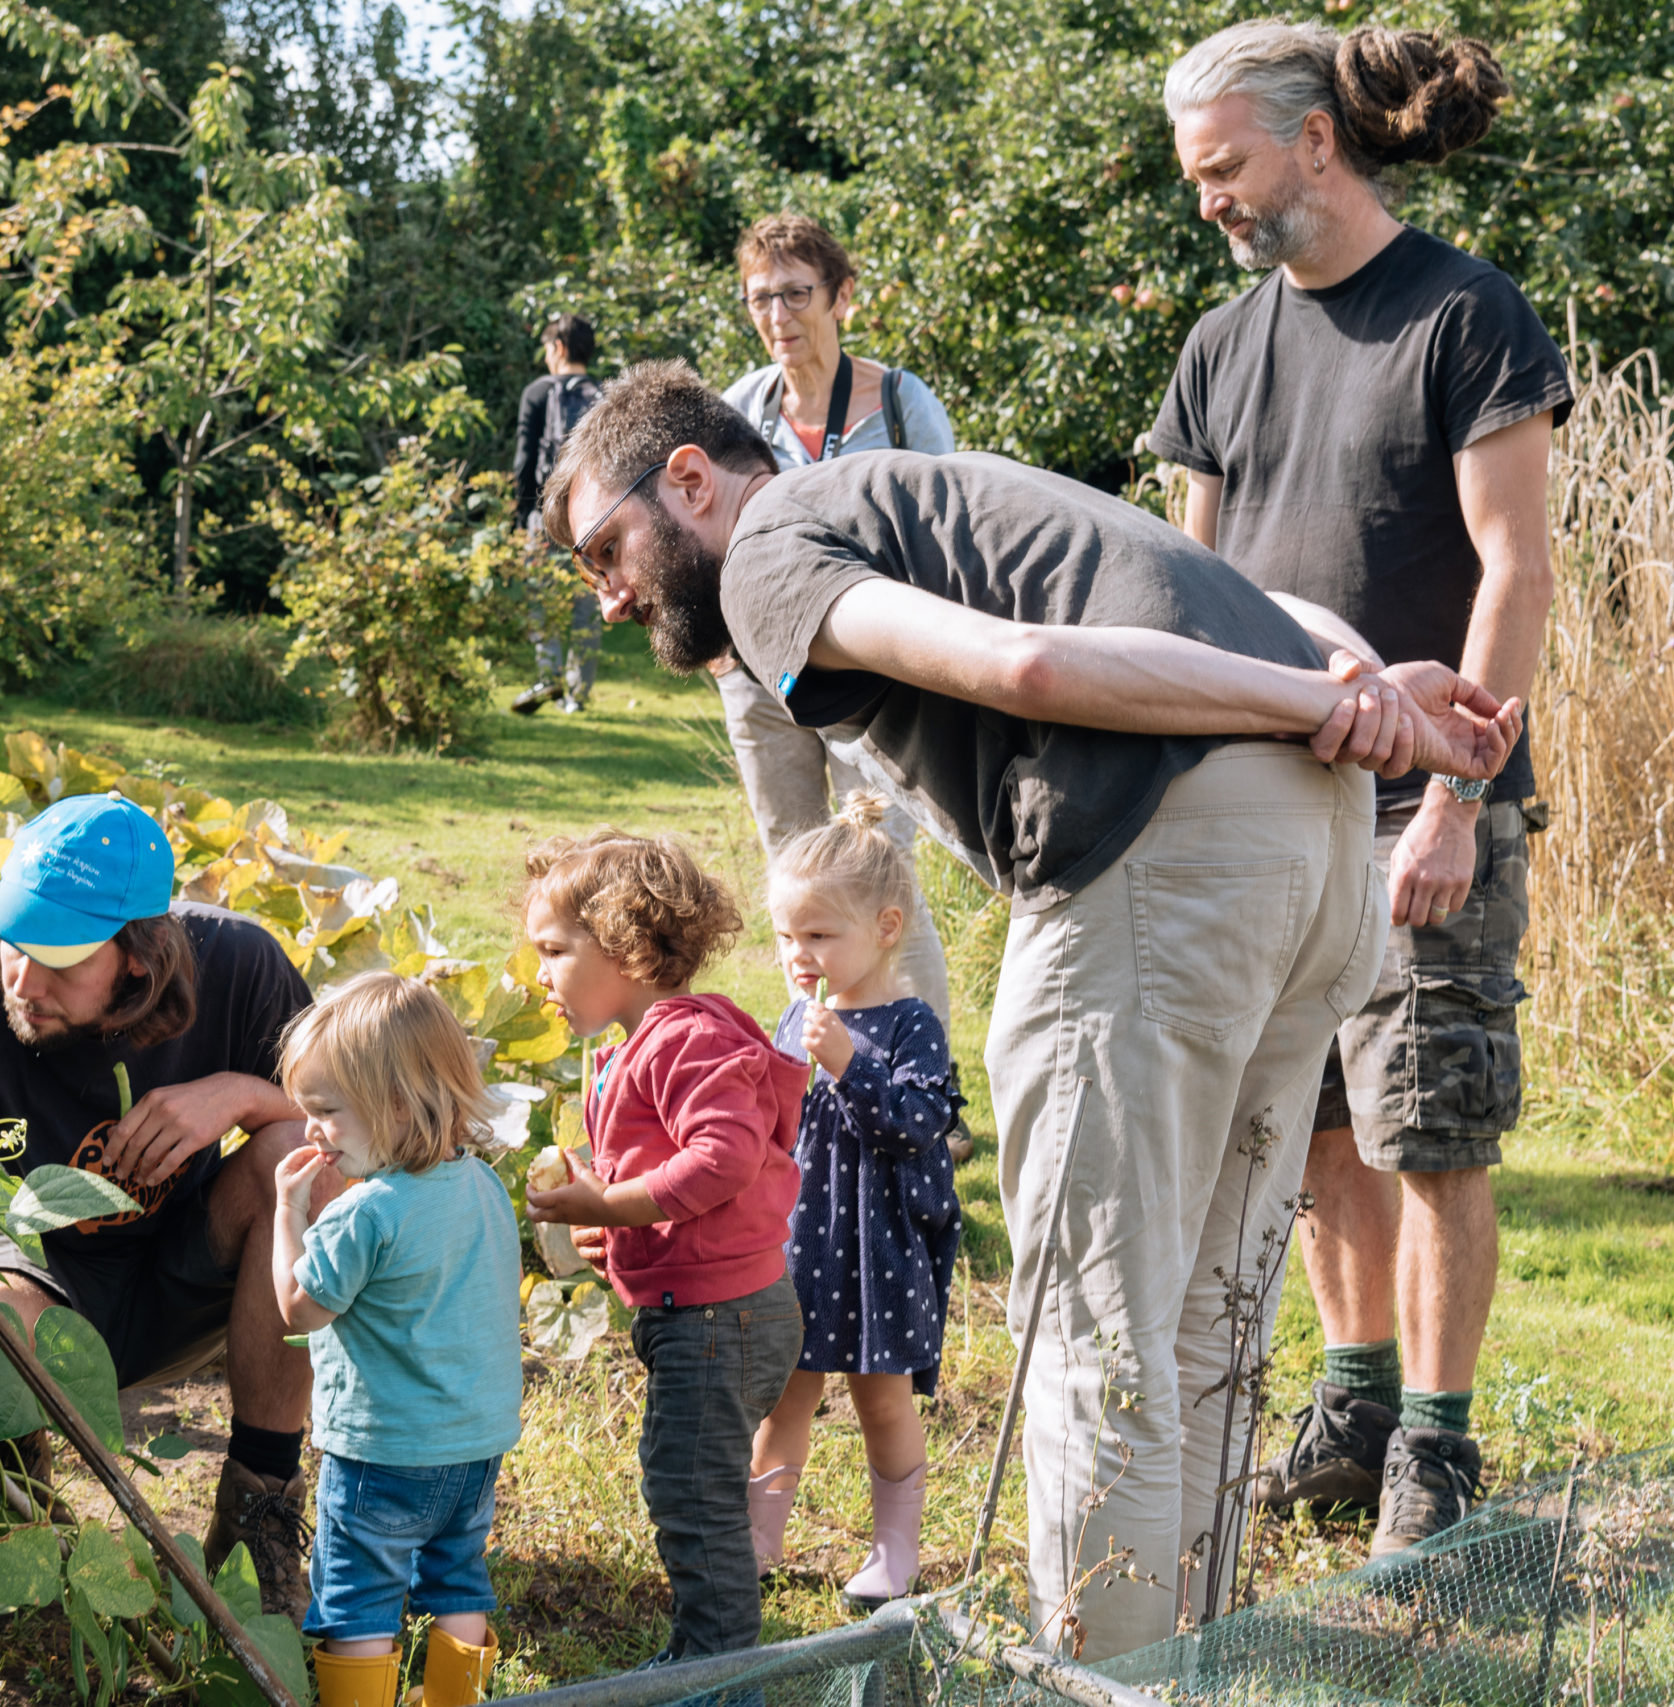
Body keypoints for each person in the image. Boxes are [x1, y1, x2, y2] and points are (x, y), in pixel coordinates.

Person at [540, 360, 1522, 1659]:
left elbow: (1031, 664)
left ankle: (1100, 1679)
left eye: (605, 550)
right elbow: (1248, 597)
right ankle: (1187, 1664)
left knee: (1093, 1331)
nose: (609, 595)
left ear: (689, 479)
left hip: (1167, 851)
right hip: (1316, 850)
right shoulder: (936, 489)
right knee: (1208, 1318)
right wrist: (1357, 678)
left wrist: (1337, 700)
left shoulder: (767, 545)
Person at [1150, 19, 1572, 1555]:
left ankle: (1439, 1454)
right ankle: (1357, 1406)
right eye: (1196, 176)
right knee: (1315, 1117)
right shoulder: (1221, 344)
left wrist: (1460, 798)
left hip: (1426, 802)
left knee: (1430, 1126)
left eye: (1224, 167)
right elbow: (1188, 585)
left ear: (1314, 140)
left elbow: (1517, 569)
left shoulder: (1465, 313)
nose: (1208, 199)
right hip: (1270, 798)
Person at [0, 792, 320, 1616]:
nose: (22, 979)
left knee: (300, 1158)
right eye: (13, 940)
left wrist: (242, 1094)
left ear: (139, 955)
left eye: (59, 957)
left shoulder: (240, 965)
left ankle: (260, 1517)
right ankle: (20, 1494)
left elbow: (369, 1120)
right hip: (34, 1283)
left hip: (184, 1274)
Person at [518, 831, 807, 1660]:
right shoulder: (641, 1043)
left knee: (696, 1496)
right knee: (685, 1483)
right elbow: (676, 1176)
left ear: (627, 947)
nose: (541, 974)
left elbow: (726, 1156)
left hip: (723, 1318)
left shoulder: (685, 1040)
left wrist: (610, 1201)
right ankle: (707, 1659)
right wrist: (608, 1220)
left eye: (554, 950)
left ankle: (719, 1674)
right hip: (709, 1313)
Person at [716, 213, 957, 1024]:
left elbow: (948, 532)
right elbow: (706, 527)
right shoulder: (741, 412)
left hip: (873, 676)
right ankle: (819, 1065)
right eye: (760, 298)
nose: (777, 316)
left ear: (841, 296)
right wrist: (719, 650)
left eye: (795, 294)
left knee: (880, 870)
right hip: (763, 675)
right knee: (793, 873)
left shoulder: (900, 402)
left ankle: (920, 1074)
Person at [270, 973, 521, 1707]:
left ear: (399, 1104)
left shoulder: (365, 1214)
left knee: (360, 1599)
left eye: (326, 1110)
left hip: (382, 1451)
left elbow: (298, 1310)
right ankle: (453, 1700)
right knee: (459, 1582)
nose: (311, 1129)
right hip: (473, 1446)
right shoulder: (482, 1186)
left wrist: (287, 1213)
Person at [748, 792, 963, 1610]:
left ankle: (893, 1552)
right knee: (787, 1391)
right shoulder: (794, 1017)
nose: (798, 954)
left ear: (885, 926)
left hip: (881, 1246)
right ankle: (757, 1540)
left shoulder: (910, 1024)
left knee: (882, 1398)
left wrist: (847, 1062)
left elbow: (917, 1126)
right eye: (786, 936)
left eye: (818, 934)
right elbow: (777, 1127)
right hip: (804, 1237)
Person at [513, 313, 607, 714]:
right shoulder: (605, 395)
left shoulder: (536, 392)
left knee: (543, 597)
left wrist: (521, 514)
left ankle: (547, 677)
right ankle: (577, 695)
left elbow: (524, 458)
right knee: (588, 603)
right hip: (593, 518)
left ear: (559, 347)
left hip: (544, 515)